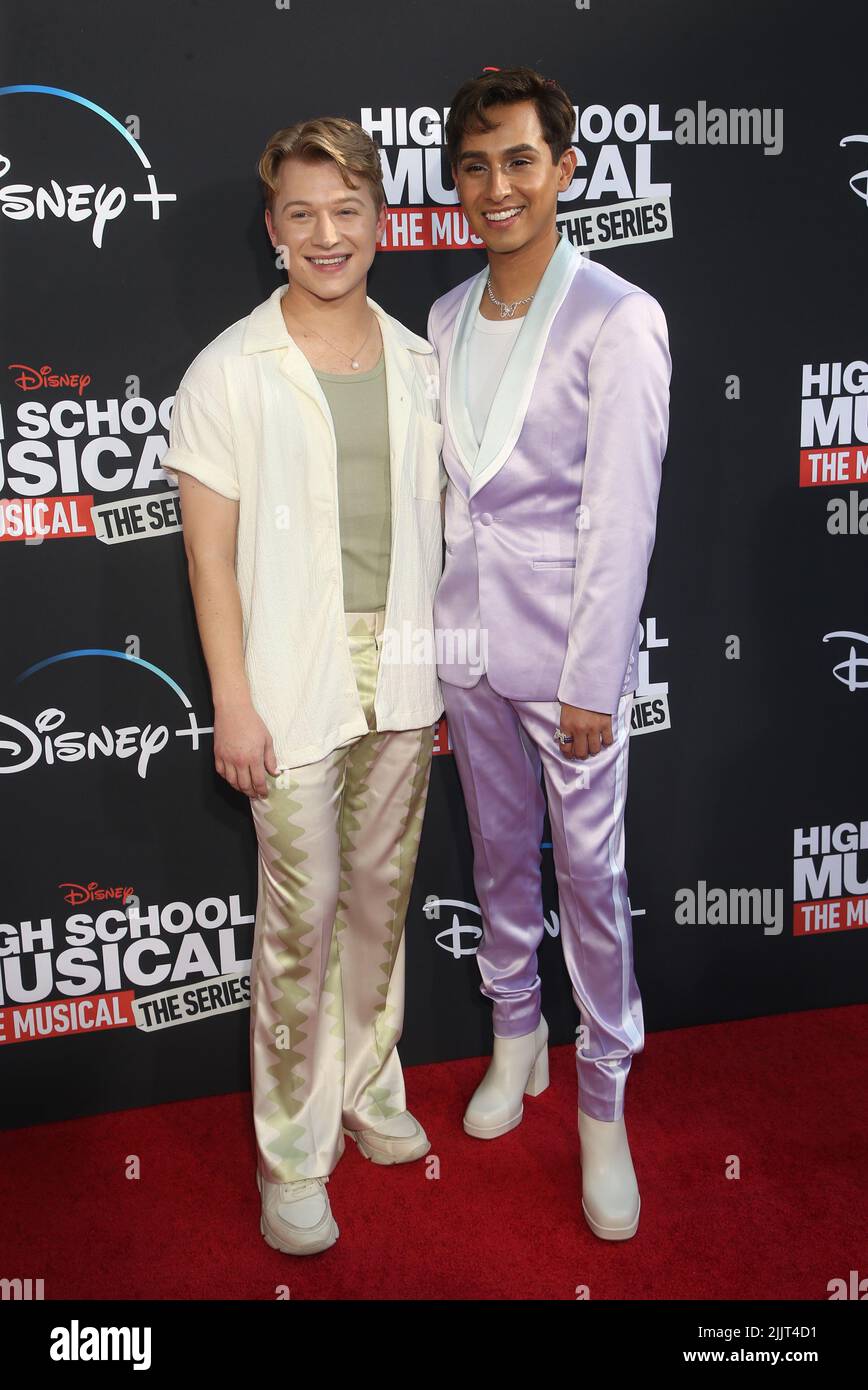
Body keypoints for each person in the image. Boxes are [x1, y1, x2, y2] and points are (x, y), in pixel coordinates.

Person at [161, 117, 446, 1255]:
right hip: (285, 679)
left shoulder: (420, 359)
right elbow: (207, 557)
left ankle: (369, 1087)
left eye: (347, 211)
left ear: (378, 219)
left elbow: (439, 536)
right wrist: (233, 698)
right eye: (301, 213)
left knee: (380, 901)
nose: (327, 235)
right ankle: (290, 1152)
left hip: (406, 672)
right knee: (299, 919)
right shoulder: (230, 370)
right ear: (272, 226)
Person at [428, 67, 671, 1240]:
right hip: (464, 646)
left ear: (565, 168)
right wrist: (430, 651)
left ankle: (601, 1103)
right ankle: (513, 1031)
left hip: (565, 665)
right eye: (474, 165)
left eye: (519, 160)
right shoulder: (442, 315)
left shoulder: (619, 316)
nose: (496, 185)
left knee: (592, 883)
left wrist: (592, 679)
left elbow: (620, 516)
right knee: (495, 858)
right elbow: (447, 500)